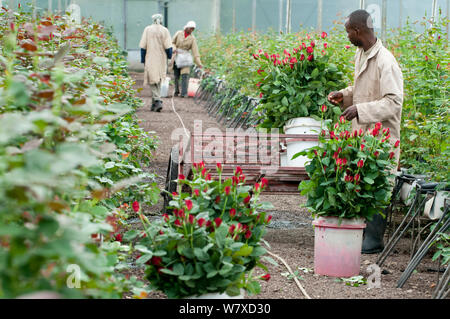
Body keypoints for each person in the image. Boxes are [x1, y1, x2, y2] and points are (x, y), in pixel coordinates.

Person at [327, 9, 404, 254]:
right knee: (364, 180)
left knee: (380, 182)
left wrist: (360, 110)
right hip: (365, 134)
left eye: (348, 31)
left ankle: (374, 239)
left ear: (358, 31)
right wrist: (345, 96)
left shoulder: (386, 61)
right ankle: (364, 235)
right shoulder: (362, 53)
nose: (347, 36)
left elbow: (393, 102)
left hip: (382, 135)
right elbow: (361, 88)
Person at [139, 13, 173, 112]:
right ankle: (154, 103)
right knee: (157, 79)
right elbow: (169, 47)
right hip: (161, 58)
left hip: (150, 57)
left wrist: (143, 59)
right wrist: (169, 57)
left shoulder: (147, 29)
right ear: (161, 20)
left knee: (152, 79)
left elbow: (143, 46)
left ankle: (157, 100)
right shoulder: (165, 30)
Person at [171, 21, 203, 97]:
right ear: (187, 27)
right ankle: (176, 91)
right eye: (191, 28)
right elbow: (172, 42)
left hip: (185, 58)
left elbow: (195, 51)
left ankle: (184, 93)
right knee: (176, 75)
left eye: (193, 29)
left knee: (185, 75)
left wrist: (199, 63)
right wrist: (174, 48)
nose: (191, 30)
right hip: (177, 56)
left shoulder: (192, 39)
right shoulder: (178, 34)